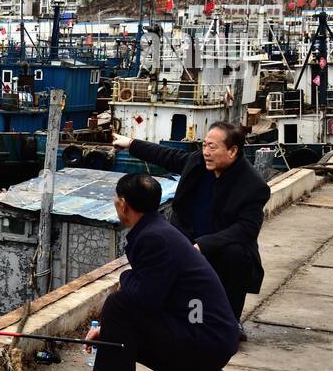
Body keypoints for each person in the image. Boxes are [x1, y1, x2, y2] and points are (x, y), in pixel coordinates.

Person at [77, 173, 240, 371]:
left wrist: (125, 277)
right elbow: (156, 293)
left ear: (123, 204)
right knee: (125, 311)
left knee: (119, 303)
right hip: (209, 336)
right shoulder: (158, 228)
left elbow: (145, 300)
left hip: (206, 338)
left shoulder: (153, 238)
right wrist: (108, 331)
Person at [112, 121, 269, 336]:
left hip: (219, 245)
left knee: (236, 255)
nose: (206, 152)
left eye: (212, 147)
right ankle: (176, 315)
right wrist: (130, 143)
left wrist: (203, 245)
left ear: (232, 151)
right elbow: (166, 156)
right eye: (204, 145)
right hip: (186, 234)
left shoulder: (253, 185)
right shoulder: (197, 163)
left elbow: (246, 229)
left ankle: (230, 321)